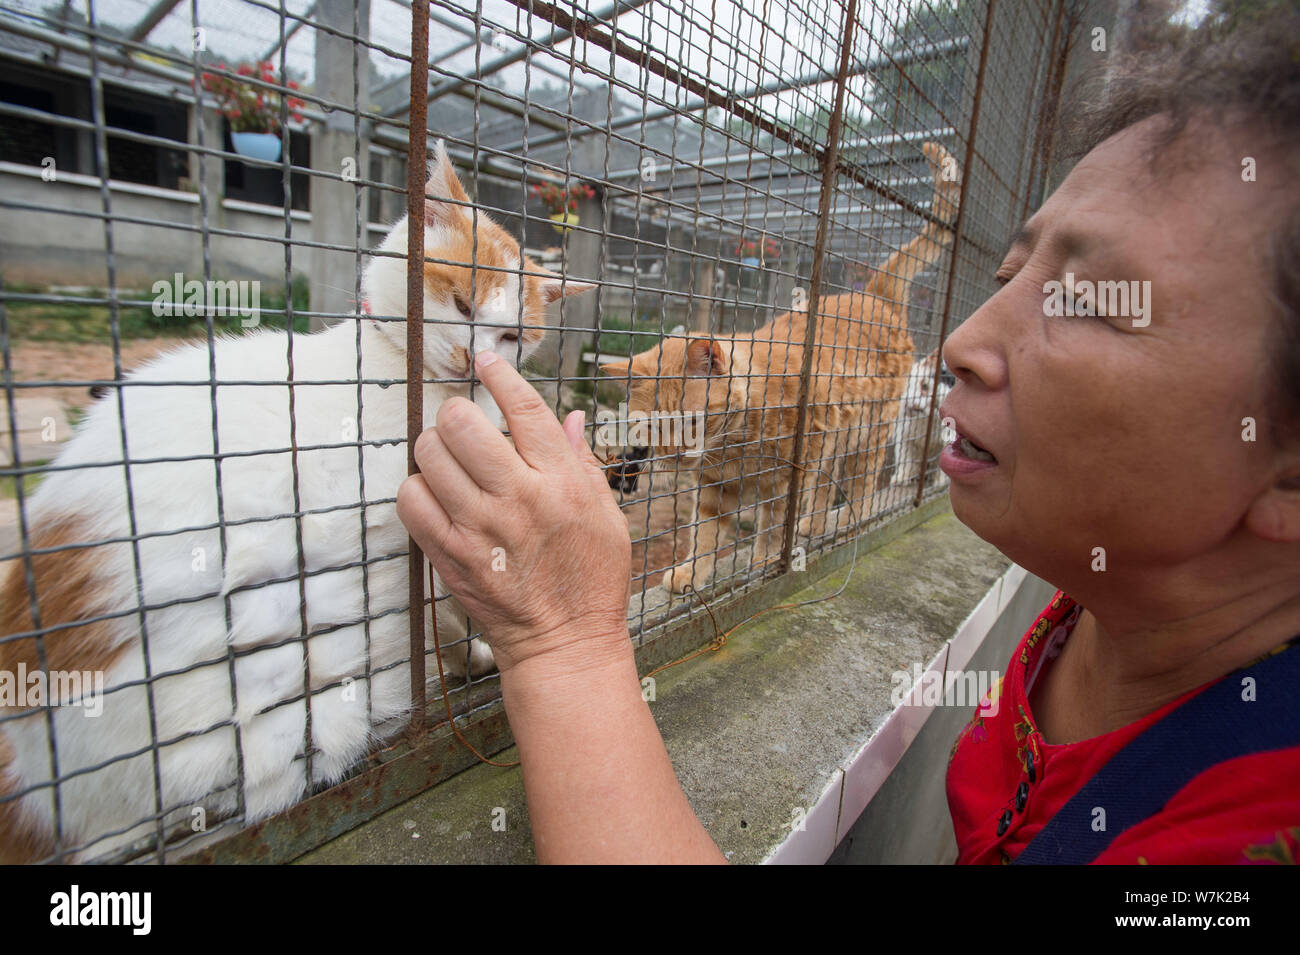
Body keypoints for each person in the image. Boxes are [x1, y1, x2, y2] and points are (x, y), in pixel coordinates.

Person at [396, 8, 1300, 864]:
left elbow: (812, 460)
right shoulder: (1084, 628)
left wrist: (567, 644)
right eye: (1009, 273)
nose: (960, 345)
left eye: (1089, 301)